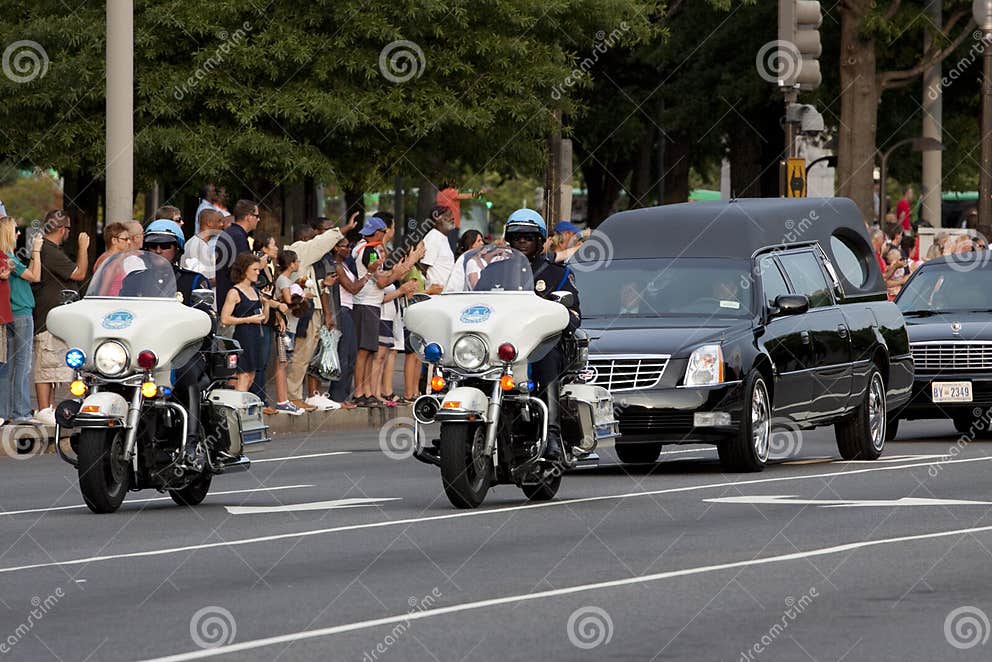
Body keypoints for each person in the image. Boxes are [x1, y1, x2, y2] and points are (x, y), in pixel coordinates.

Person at [503, 209, 580, 461]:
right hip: (501, 345)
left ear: (540, 240)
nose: (522, 241)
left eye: (528, 236)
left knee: (547, 359)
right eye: (516, 237)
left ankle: (553, 435)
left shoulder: (557, 274)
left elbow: (574, 315)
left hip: (541, 346)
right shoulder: (494, 273)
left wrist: (561, 316)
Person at [32, 209, 89, 426]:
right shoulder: (49, 250)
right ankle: (44, 408)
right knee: (46, 365)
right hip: (47, 319)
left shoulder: (49, 249)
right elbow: (79, 273)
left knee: (53, 366)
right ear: (62, 229)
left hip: (53, 320)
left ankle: (50, 407)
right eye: (68, 230)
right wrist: (83, 248)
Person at [0, 217, 42, 424]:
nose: (18, 234)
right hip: (21, 314)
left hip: (10, 314)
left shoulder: (7, 258)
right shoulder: (9, 258)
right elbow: (36, 276)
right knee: (22, 365)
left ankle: (6, 411)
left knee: (8, 365)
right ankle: (21, 412)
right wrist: (36, 250)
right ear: (7, 233)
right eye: (15, 230)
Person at [220, 252, 278, 392]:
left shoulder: (255, 291)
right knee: (243, 375)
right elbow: (225, 318)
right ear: (244, 270)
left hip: (256, 337)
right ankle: (238, 408)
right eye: (255, 269)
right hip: (243, 337)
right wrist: (248, 320)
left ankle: (242, 406)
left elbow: (263, 319)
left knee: (251, 375)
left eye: (258, 269)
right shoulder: (234, 292)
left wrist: (266, 304)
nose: (258, 273)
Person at [215, 199, 260, 310]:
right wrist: (260, 264)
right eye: (257, 216)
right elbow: (243, 269)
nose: (258, 219)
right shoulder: (238, 237)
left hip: (228, 300)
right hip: (235, 306)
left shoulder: (230, 233)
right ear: (248, 216)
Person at [182, 209, 224, 285]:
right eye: (219, 221)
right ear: (209, 223)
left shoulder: (200, 244)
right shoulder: (198, 246)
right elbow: (202, 282)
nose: (222, 224)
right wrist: (225, 277)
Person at [422, 205, 455, 295]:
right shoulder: (433, 237)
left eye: (452, 215)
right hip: (436, 296)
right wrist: (428, 291)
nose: (452, 218)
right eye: (448, 215)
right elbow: (422, 268)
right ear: (437, 219)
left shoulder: (441, 237)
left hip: (445, 294)